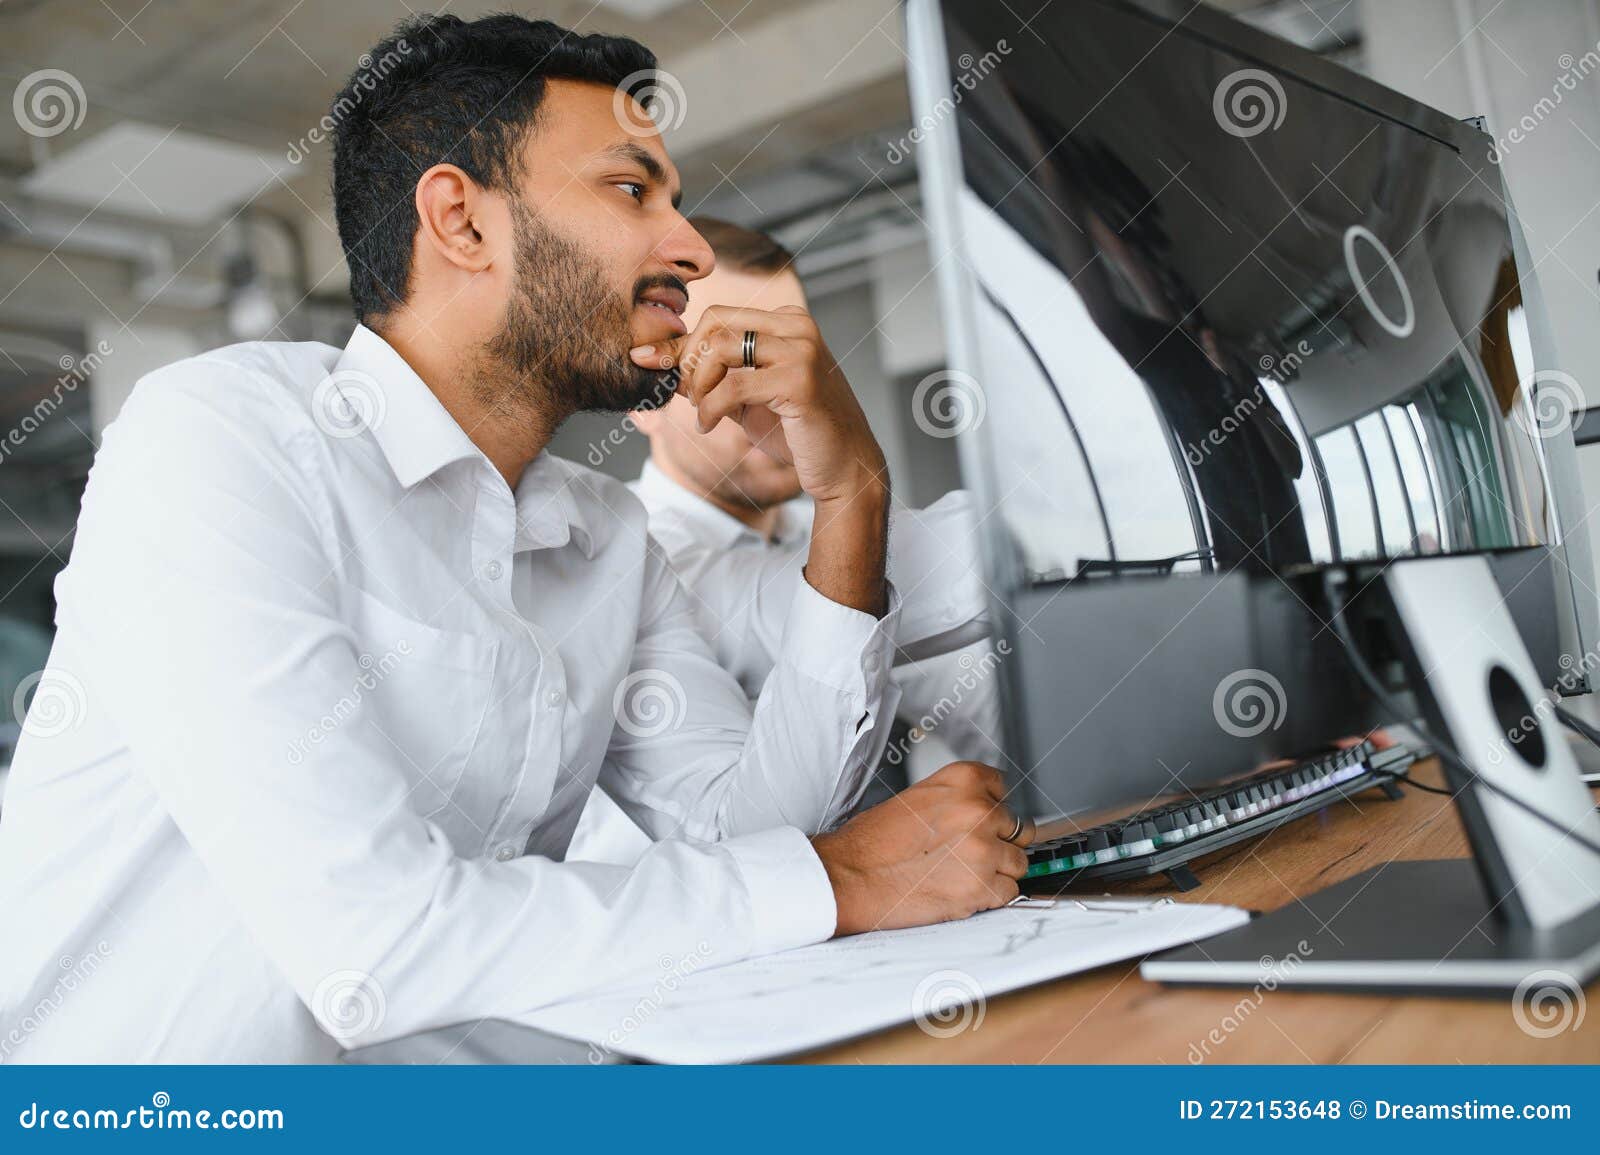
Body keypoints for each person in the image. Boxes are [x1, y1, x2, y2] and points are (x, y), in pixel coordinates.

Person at [0, 14, 1031, 1063]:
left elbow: (748, 841)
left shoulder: (603, 536)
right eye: (633, 192)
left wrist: (852, 496)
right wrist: (838, 880)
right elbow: (378, 947)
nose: (689, 247)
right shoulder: (224, 441)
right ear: (461, 221)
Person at [571, 220, 1002, 865]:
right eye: (730, 357)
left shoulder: (824, 531)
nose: (778, 391)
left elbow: (985, 694)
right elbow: (970, 562)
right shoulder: (628, 564)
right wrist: (857, 487)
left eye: (787, 353)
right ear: (646, 399)